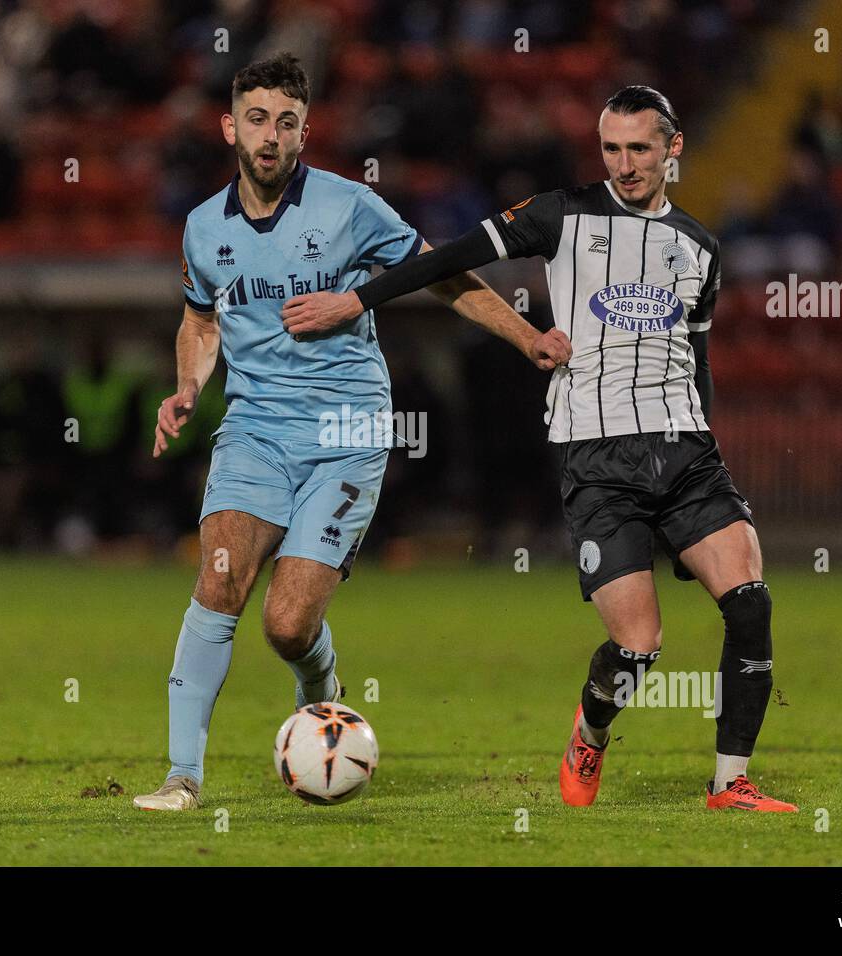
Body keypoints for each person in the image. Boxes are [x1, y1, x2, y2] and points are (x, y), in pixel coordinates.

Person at [282, 86, 797, 812]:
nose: (624, 164)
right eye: (612, 149)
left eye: (640, 149)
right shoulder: (562, 215)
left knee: (750, 604)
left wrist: (707, 442)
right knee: (638, 648)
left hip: (689, 457)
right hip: (597, 458)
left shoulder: (700, 250)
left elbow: (698, 359)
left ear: (673, 148)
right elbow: (449, 259)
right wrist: (357, 300)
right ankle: (590, 732)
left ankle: (730, 781)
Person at [134, 53, 570, 811]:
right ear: (229, 126)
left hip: (345, 430)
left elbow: (440, 272)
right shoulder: (204, 228)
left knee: (287, 623)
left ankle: (322, 690)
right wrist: (186, 386)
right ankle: (182, 777)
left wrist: (526, 336)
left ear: (305, 134)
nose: (272, 136)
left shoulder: (349, 207)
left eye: (288, 122)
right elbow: (200, 318)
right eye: (259, 119)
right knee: (220, 581)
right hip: (255, 432)